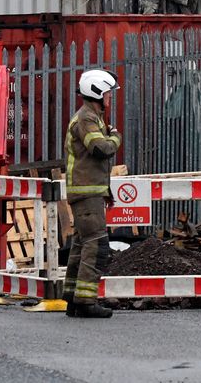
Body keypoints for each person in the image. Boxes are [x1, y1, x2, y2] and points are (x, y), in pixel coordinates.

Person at [62, 68, 122, 318]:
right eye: (108, 93)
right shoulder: (87, 118)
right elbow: (100, 149)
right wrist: (116, 138)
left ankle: (73, 299)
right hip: (86, 194)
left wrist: (105, 191)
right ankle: (86, 302)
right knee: (96, 245)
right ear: (96, 92)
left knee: (81, 244)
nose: (110, 98)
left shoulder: (91, 117)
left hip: (89, 192)